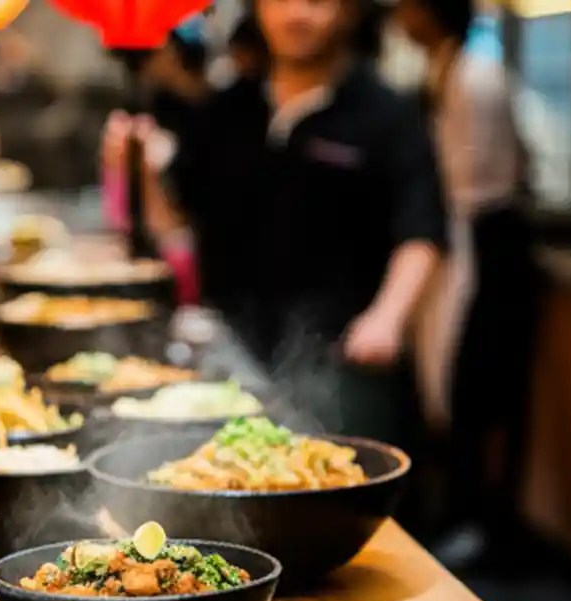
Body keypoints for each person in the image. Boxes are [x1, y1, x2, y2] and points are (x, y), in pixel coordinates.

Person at [113, 0, 447, 451]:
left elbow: (421, 232)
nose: (296, 14)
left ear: (348, 12)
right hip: (235, 353)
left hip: (345, 361)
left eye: (315, 2)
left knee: (348, 500)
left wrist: (387, 319)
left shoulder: (389, 114)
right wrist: (140, 173)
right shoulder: (227, 109)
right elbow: (178, 224)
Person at [394, 0, 533, 558]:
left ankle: (486, 526)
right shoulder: (446, 64)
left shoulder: (475, 74)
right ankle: (464, 515)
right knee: (455, 382)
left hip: (489, 240)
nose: (401, 17)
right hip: (465, 234)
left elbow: (474, 177)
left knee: (481, 388)